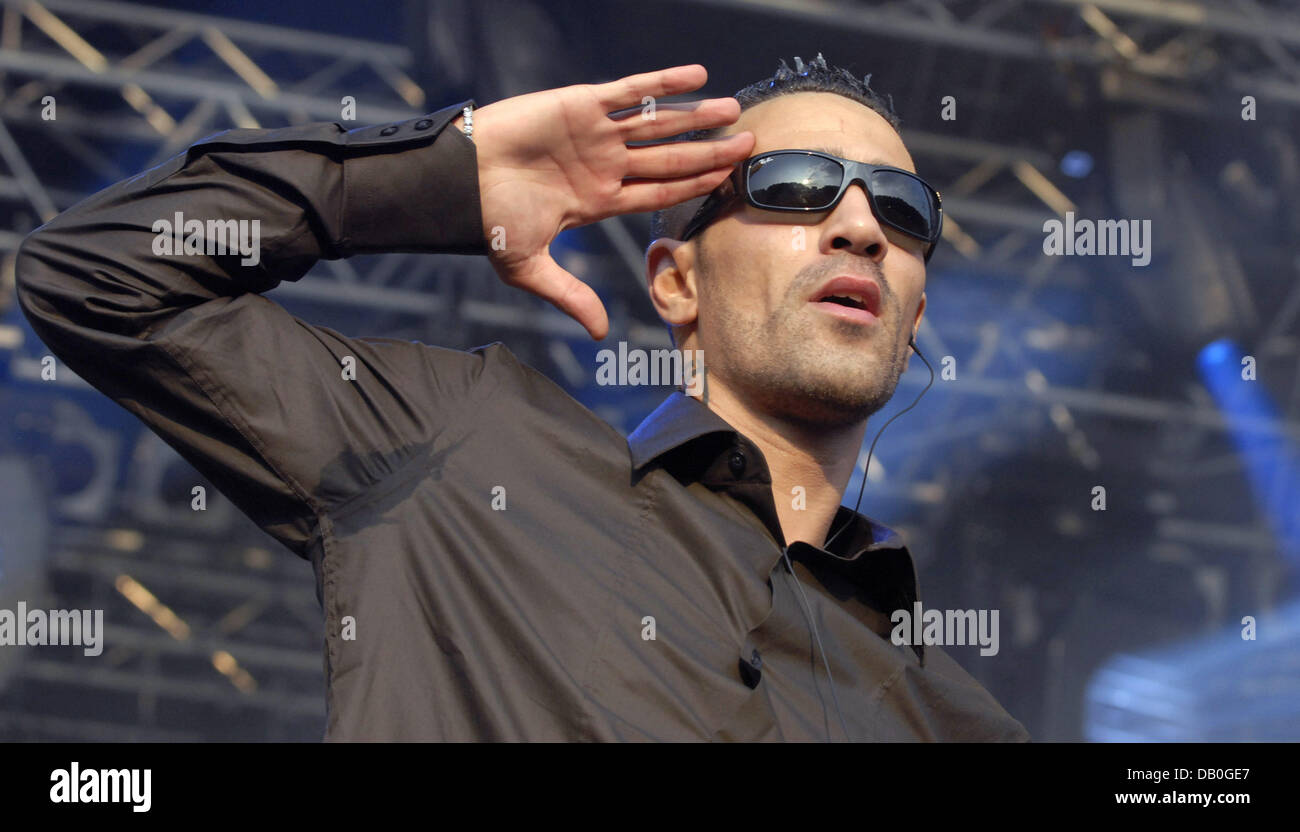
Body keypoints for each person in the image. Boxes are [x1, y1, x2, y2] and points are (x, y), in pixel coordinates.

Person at [16, 55, 1029, 741]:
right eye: (794, 185)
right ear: (674, 280)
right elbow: (99, 278)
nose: (858, 227)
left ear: (916, 305)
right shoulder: (467, 450)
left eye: (900, 210)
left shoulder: (952, 711)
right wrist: (445, 177)